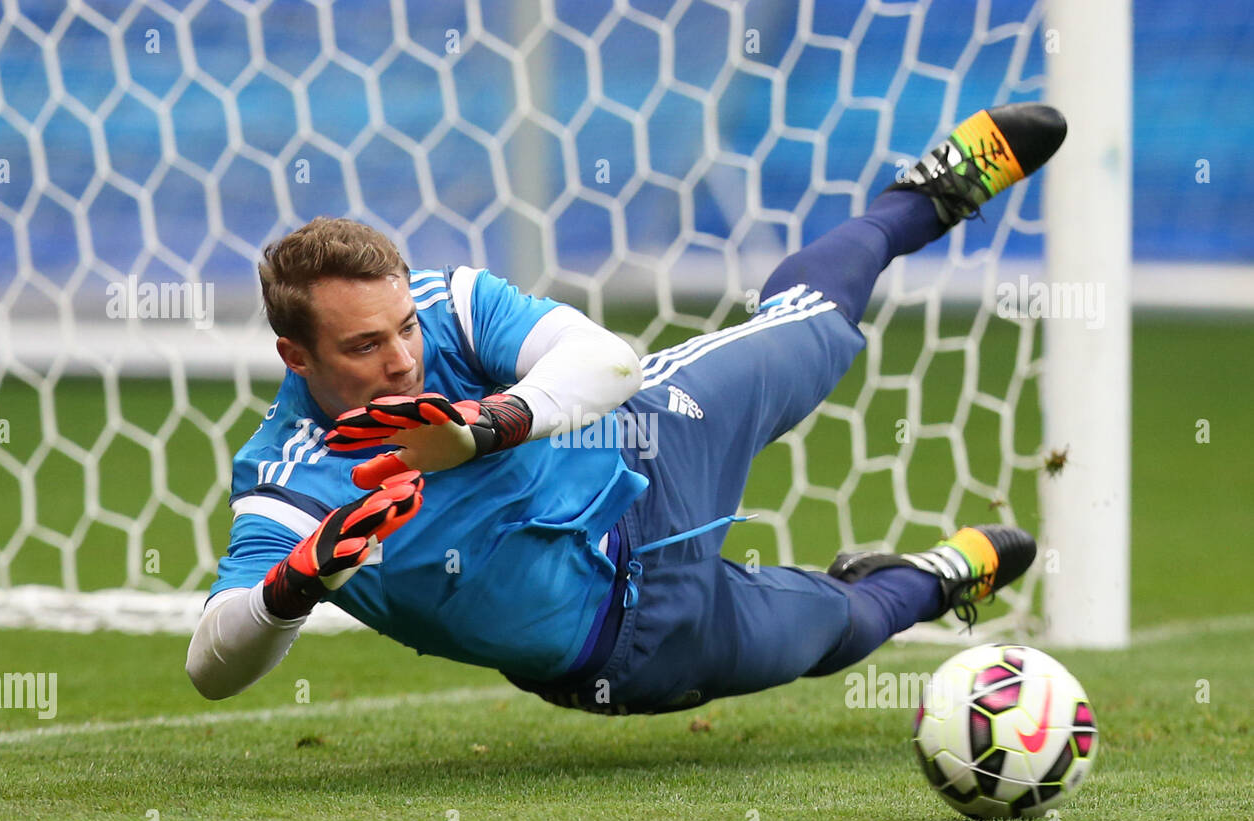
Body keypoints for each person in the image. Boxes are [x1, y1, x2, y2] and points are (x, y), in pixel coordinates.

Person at [187, 103, 1066, 715]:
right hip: (624, 650)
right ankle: (930, 579)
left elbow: (608, 360)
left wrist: (487, 425)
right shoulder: (289, 482)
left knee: (812, 332)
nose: (403, 357)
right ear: (294, 356)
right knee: (838, 629)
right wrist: (295, 584)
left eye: (403, 327)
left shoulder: (451, 304)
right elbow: (211, 666)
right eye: (364, 348)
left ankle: (918, 201)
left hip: (654, 450)